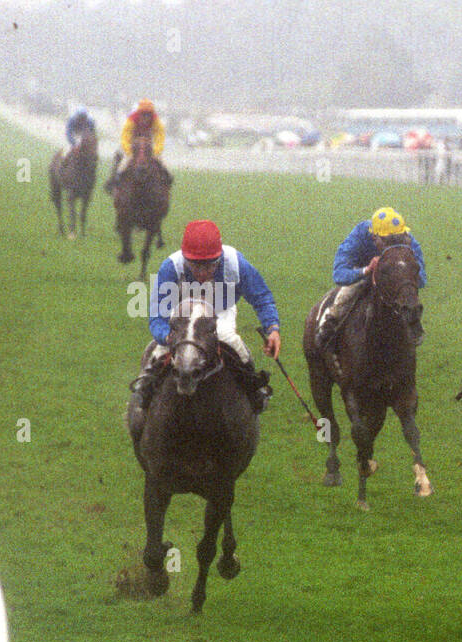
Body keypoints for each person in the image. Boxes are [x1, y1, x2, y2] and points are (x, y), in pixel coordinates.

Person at [131, 220, 280, 414]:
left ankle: (254, 387)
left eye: (209, 266)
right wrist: (167, 336)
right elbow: (157, 315)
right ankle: (146, 388)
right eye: (195, 266)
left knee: (231, 339)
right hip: (182, 315)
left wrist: (273, 328)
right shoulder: (171, 267)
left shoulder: (236, 264)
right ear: (185, 259)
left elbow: (262, 297)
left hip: (220, 312)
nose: (202, 274)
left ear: (218, 259)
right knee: (160, 349)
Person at [315, 207, 427, 365]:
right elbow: (339, 274)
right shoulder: (360, 234)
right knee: (347, 293)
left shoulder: (407, 239)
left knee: (408, 297)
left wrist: (402, 272)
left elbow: (421, 279)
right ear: (375, 237)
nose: (395, 244)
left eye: (398, 239)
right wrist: (366, 270)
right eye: (389, 241)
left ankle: (414, 324)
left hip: (391, 283)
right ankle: (330, 325)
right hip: (364, 277)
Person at [105, 99, 167, 194]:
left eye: (148, 114)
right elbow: (125, 137)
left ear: (151, 113)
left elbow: (160, 136)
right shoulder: (132, 119)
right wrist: (129, 152)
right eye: (143, 114)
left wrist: (156, 151)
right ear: (139, 113)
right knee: (122, 160)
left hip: (148, 145)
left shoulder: (155, 120)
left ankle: (166, 181)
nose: (146, 117)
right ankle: (114, 181)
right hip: (132, 144)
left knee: (162, 163)